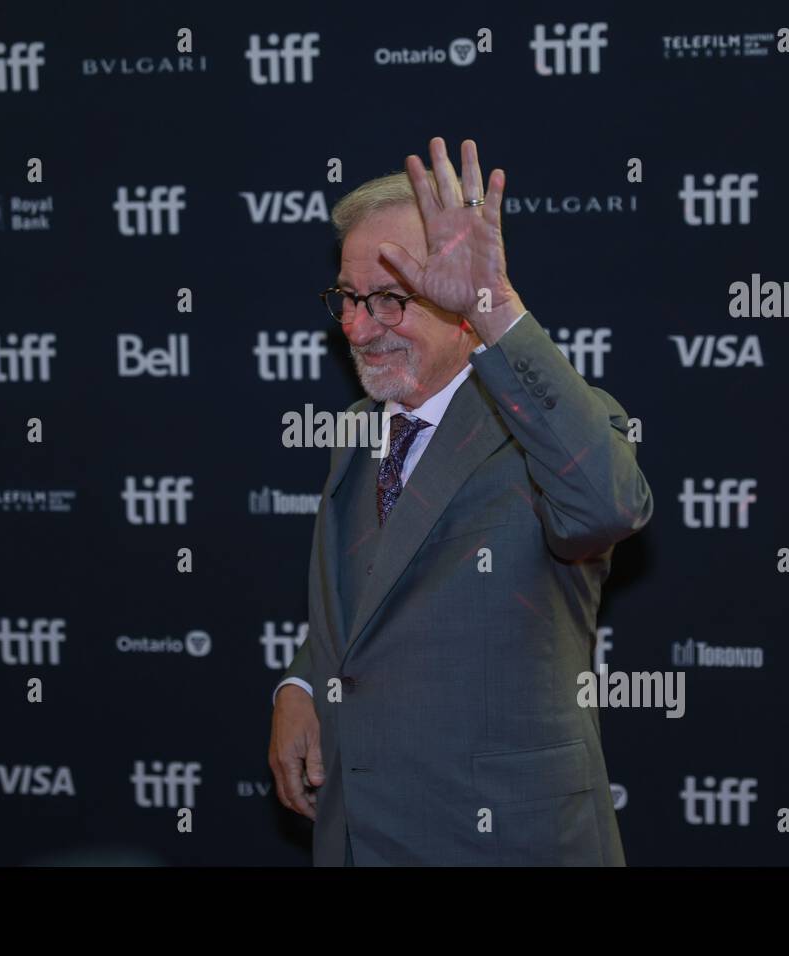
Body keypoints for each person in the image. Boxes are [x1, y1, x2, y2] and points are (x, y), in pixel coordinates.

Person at [267, 137, 653, 865]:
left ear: (459, 300)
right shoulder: (357, 432)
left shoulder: (539, 431)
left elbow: (606, 506)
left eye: (391, 298)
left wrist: (498, 307)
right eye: (348, 299)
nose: (356, 327)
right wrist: (301, 682)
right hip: (359, 835)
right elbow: (367, 605)